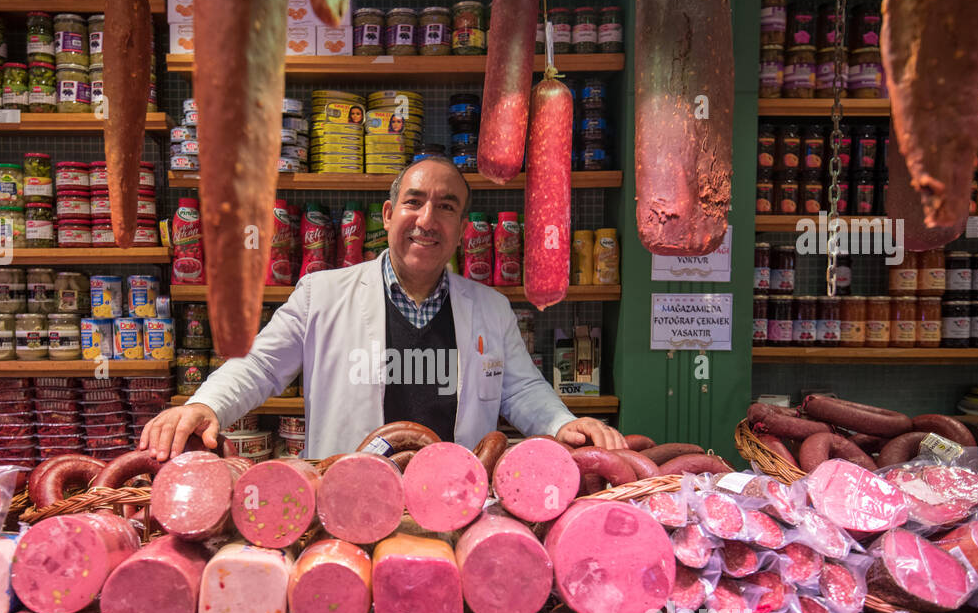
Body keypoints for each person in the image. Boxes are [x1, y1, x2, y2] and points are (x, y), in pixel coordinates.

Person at [140, 156, 624, 460]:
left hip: (453, 501)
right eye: (414, 202)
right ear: (390, 214)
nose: (427, 220)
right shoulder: (320, 293)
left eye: (447, 207)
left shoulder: (492, 309)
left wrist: (563, 423)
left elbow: (521, 391)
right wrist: (207, 404)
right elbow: (260, 365)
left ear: (459, 229)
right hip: (346, 492)